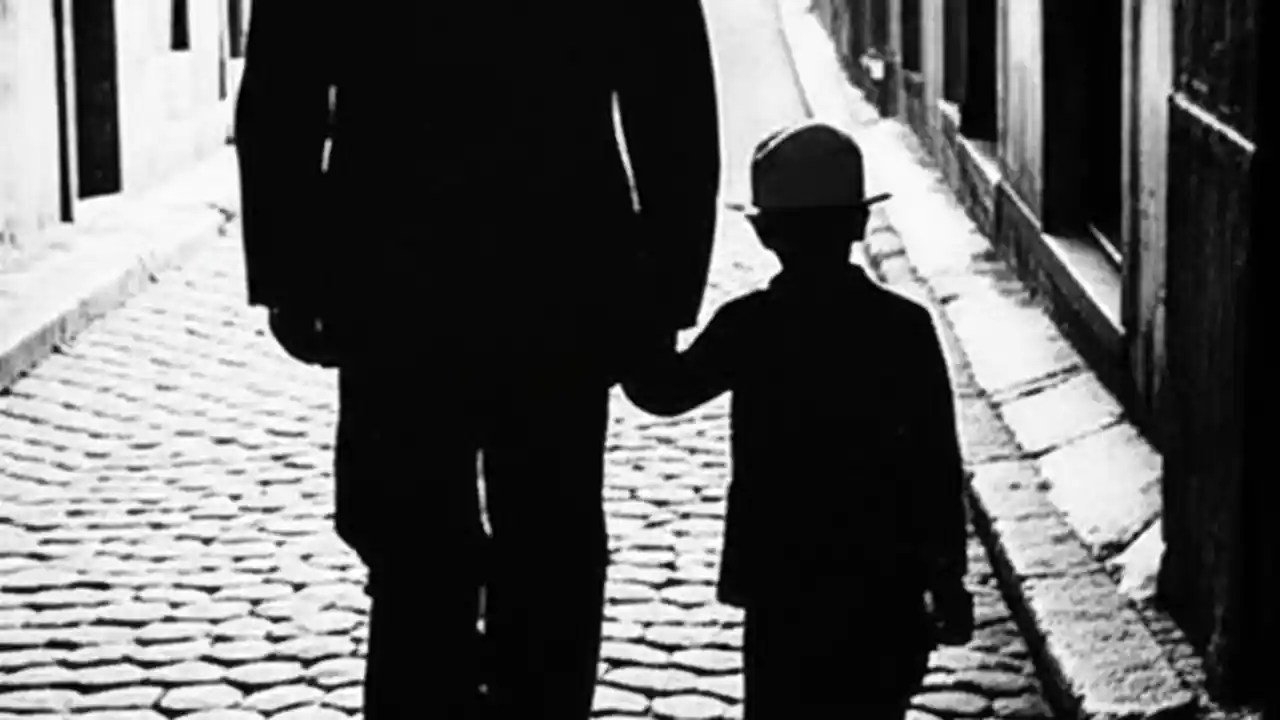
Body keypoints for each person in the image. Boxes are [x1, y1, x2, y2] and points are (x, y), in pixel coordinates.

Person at [233, 3, 721, 718]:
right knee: (538, 536)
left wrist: (289, 274)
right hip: (554, 261)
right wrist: (665, 291)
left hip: (399, 267)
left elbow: (285, 80)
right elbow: (671, 91)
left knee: (424, 544)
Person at [622, 119, 974, 719]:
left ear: (764, 233)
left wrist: (639, 301)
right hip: (882, 586)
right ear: (860, 223)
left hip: (782, 585)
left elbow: (662, 392)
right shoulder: (904, 329)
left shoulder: (749, 326)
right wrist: (946, 579)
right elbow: (937, 464)